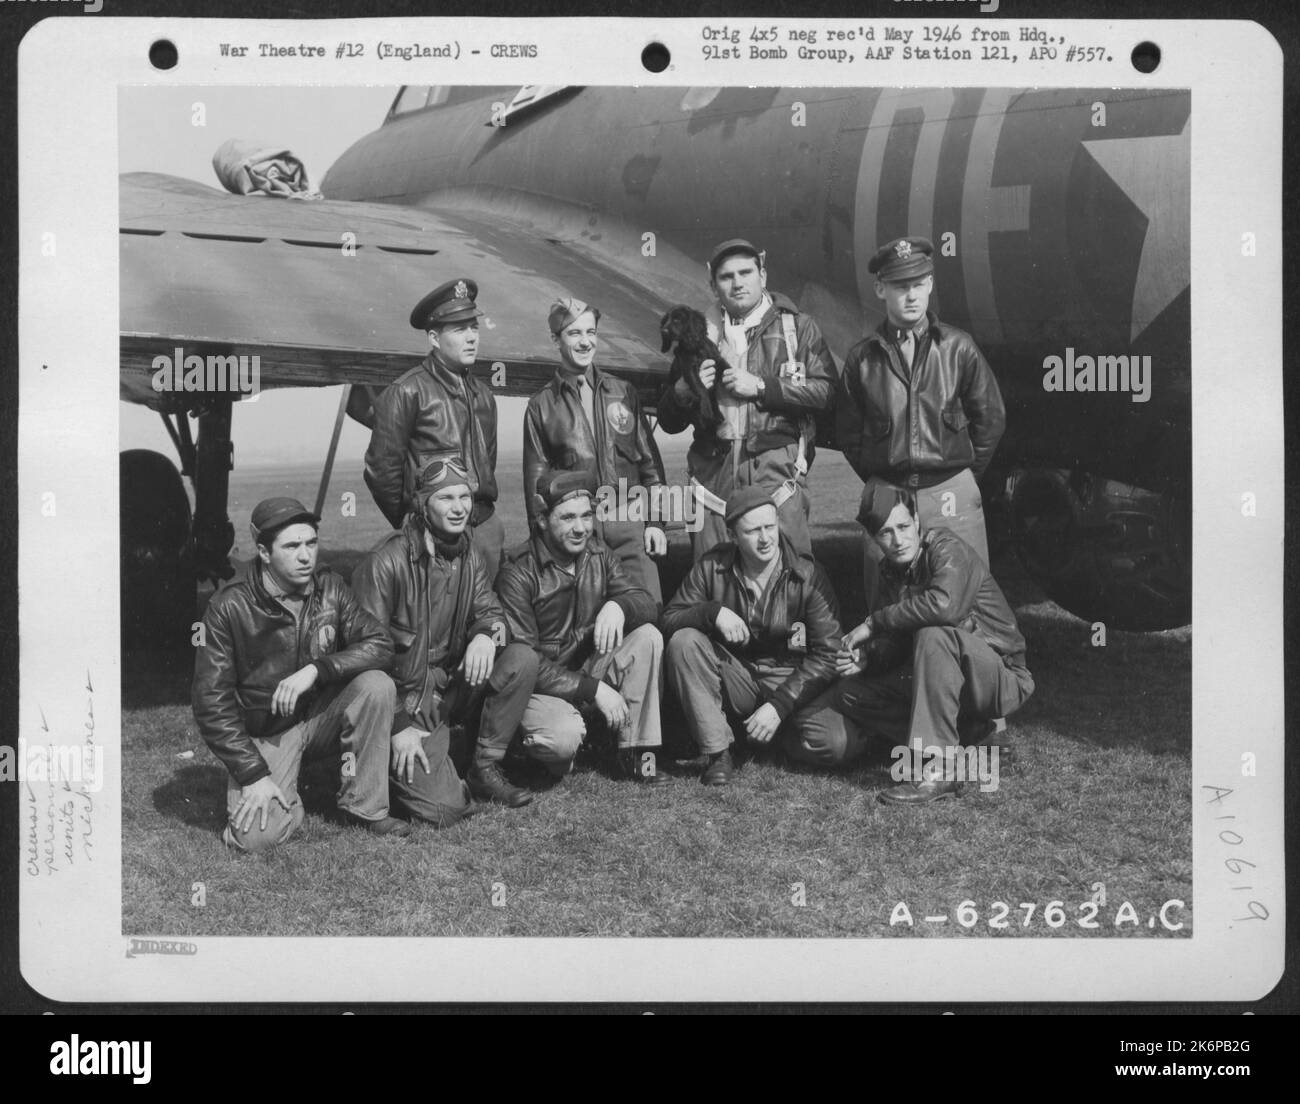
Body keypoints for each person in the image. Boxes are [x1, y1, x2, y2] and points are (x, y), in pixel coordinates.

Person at [192, 497, 406, 852]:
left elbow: (380, 644)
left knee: (376, 685)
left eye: (311, 543)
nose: (306, 556)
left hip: (319, 716)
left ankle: (365, 807)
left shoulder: (331, 587)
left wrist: (317, 669)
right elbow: (210, 702)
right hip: (268, 731)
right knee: (256, 839)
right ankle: (285, 796)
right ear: (263, 552)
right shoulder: (229, 606)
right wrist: (252, 774)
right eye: (292, 546)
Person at [821, 482, 1034, 805]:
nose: (898, 539)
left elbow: (944, 606)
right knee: (850, 693)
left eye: (904, 526)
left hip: (998, 676)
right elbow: (895, 643)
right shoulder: (889, 571)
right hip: (945, 678)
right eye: (885, 533)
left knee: (933, 634)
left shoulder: (946, 547)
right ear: (876, 539)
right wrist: (870, 658)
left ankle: (939, 770)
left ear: (918, 523)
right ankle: (973, 736)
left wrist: (872, 622)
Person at [352, 457, 541, 811]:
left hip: (451, 686)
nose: (459, 508)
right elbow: (364, 657)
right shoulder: (385, 562)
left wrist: (486, 635)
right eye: (446, 498)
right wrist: (397, 724)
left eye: (464, 497)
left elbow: (492, 612)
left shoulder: (470, 554)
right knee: (445, 809)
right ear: (424, 504)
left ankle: (483, 767)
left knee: (521, 658)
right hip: (408, 698)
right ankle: (395, 762)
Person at [835, 236, 1006, 610]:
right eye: (899, 286)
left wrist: (962, 475)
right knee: (886, 606)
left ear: (930, 284)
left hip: (949, 491)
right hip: (888, 492)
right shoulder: (862, 359)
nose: (911, 295)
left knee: (967, 603)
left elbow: (990, 418)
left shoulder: (958, 348)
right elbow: (848, 433)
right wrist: (880, 477)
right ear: (881, 289)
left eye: (918, 284)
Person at [657, 239, 836, 559]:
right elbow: (668, 423)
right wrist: (683, 392)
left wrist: (763, 387)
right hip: (713, 478)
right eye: (727, 277)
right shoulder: (695, 338)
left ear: (763, 276)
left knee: (789, 583)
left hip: (776, 478)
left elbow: (826, 394)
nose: (738, 283)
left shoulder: (797, 328)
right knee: (711, 584)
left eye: (746, 272)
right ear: (713, 286)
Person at [661, 486, 842, 786]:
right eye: (753, 531)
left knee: (832, 744)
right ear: (733, 536)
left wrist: (780, 705)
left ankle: (763, 734)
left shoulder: (806, 573)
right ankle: (718, 751)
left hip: (791, 677)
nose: (765, 538)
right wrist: (711, 612)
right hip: (738, 677)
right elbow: (669, 619)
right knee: (684, 642)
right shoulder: (711, 566)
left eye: (770, 526)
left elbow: (830, 652)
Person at [495, 469, 667, 784]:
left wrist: (619, 605)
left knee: (648, 637)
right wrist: (594, 689)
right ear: (543, 520)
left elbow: (644, 603)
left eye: (587, 516)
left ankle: (637, 754)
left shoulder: (599, 554)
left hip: (586, 672)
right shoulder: (517, 573)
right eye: (568, 518)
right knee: (562, 742)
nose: (581, 528)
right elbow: (525, 664)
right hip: (539, 687)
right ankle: (523, 749)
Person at [523, 297, 667, 601]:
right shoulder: (541, 407)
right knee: (591, 626)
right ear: (555, 340)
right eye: (575, 334)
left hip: (630, 522)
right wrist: (544, 544)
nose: (586, 342)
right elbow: (536, 489)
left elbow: (651, 467)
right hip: (580, 528)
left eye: (591, 333)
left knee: (649, 613)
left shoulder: (623, 391)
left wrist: (655, 522)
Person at [364, 277, 508, 582]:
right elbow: (381, 469)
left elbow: (487, 463)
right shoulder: (406, 391)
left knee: (485, 616)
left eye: (474, 327)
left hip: (484, 528)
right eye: (459, 329)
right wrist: (411, 522)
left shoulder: (484, 395)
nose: (471, 338)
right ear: (433, 337)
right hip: (432, 532)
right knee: (434, 622)